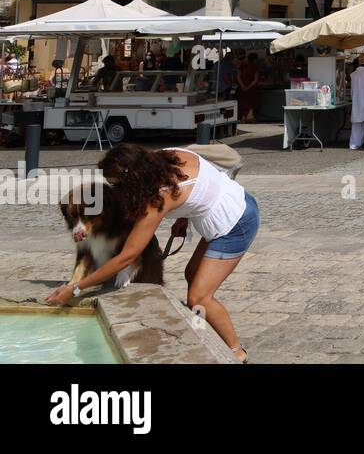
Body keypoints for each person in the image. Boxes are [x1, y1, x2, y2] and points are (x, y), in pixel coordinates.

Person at [46, 143, 259, 363]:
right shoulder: (166, 157)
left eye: (116, 185)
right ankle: (203, 331)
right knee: (192, 275)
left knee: (199, 296)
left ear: (131, 179)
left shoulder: (159, 198)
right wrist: (184, 216)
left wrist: (76, 288)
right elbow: (200, 182)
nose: (116, 191)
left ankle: (237, 353)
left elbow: (127, 257)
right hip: (238, 201)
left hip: (235, 224)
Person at [236, 53, 262, 122]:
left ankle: (243, 118)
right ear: (254, 60)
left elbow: (238, 77)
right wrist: (248, 87)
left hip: (243, 89)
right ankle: (249, 117)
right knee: (251, 104)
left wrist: (243, 86)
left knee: (243, 103)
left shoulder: (242, 66)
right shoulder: (255, 67)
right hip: (251, 89)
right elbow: (255, 80)